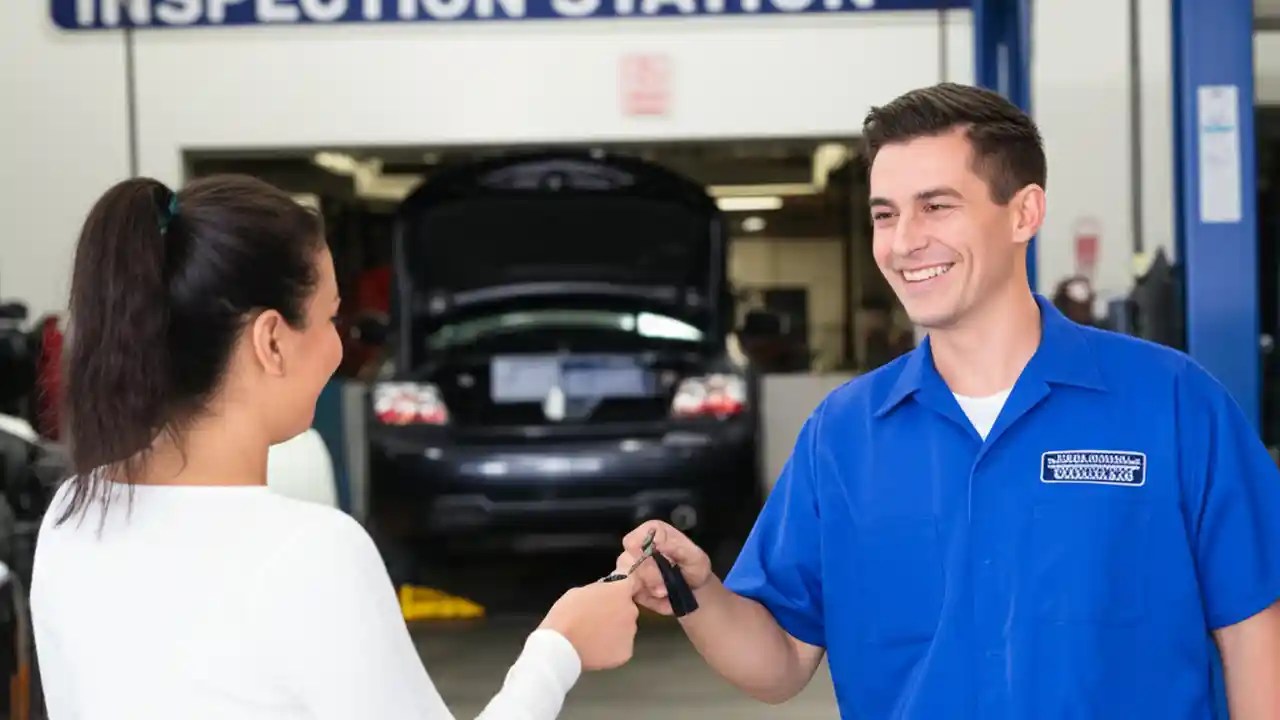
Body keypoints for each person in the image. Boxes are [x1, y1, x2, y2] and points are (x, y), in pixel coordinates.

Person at [619, 82, 1280, 719]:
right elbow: (782, 660)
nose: (904, 241)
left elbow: (1254, 628)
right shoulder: (845, 436)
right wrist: (698, 591)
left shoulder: (1172, 403)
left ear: (1024, 213)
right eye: (885, 214)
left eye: (936, 206)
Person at [31, 174, 641, 720]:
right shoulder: (311, 552)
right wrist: (559, 648)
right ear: (271, 340)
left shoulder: (72, 516)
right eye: (328, 319)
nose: (338, 347)